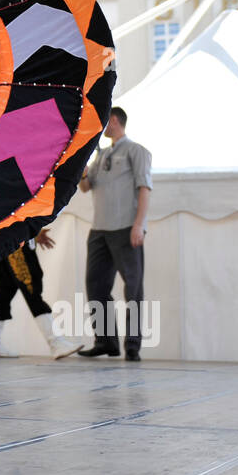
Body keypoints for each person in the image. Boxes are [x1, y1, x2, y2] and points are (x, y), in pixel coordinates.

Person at [77, 106, 152, 361]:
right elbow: (86, 187)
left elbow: (144, 188)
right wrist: (80, 169)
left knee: (133, 287)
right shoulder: (100, 155)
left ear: (115, 120)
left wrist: (138, 224)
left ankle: (132, 345)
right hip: (99, 229)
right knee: (95, 285)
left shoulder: (136, 151)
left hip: (125, 228)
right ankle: (106, 341)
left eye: (105, 120)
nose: (102, 125)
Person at [0, 227, 83, 359]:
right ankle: (56, 342)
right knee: (31, 288)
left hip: (1, 240)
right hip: (16, 241)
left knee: (4, 289)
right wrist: (32, 231)